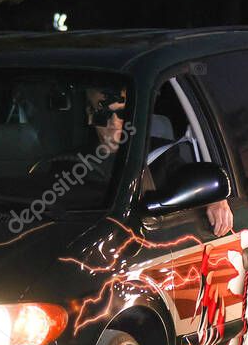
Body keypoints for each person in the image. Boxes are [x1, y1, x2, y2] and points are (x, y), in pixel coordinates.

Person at [85, 87, 234, 237]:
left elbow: (199, 186)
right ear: (90, 114)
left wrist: (215, 201)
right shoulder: (73, 168)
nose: (114, 123)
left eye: (122, 113)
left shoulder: (162, 153)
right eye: (103, 114)